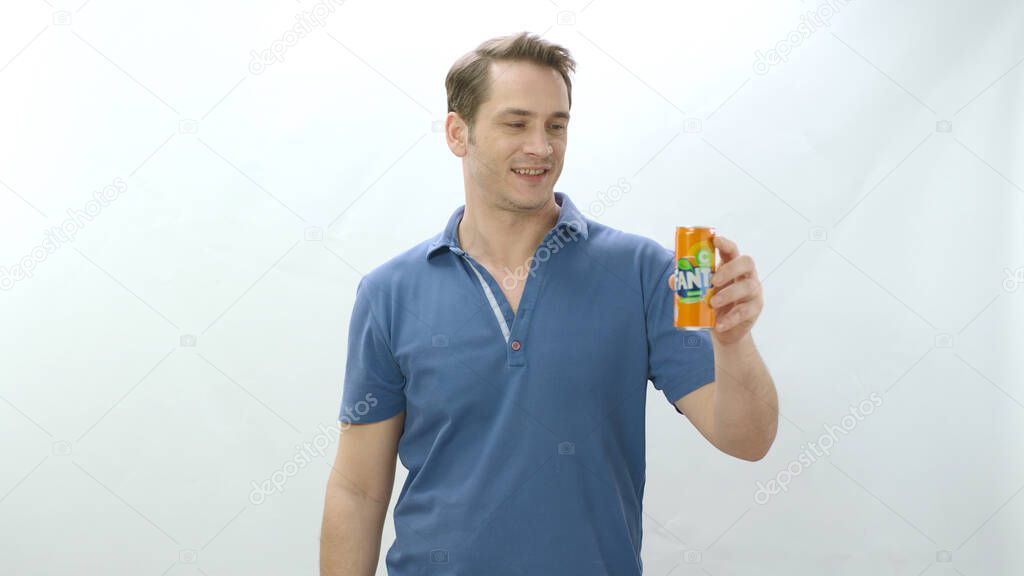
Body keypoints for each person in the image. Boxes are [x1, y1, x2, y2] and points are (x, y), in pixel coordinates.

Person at [320, 31, 778, 575]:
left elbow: (748, 439)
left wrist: (733, 341)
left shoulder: (646, 271)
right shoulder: (388, 292)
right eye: (516, 123)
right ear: (457, 132)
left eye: (556, 125)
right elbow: (357, 489)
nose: (541, 146)